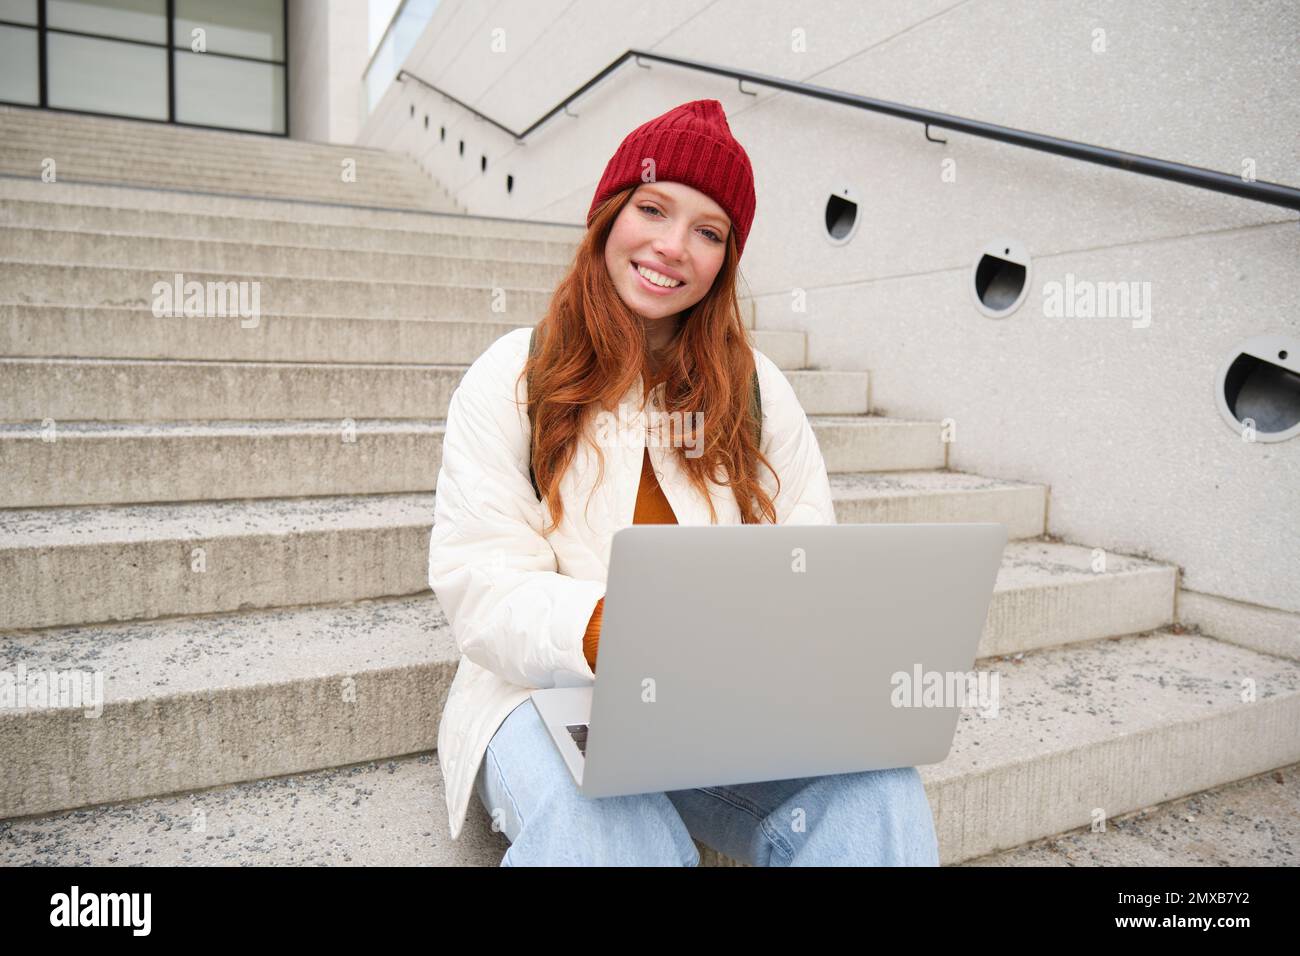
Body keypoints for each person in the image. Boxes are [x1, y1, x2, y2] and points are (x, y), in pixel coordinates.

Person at [428, 98, 941, 866]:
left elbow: (806, 558)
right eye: (653, 209)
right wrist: (609, 630)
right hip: (540, 693)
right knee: (609, 830)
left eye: (708, 231)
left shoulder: (757, 390)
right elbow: (481, 584)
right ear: (609, 215)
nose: (673, 247)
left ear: (727, 258)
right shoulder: (512, 375)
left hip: (713, 705)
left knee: (877, 790)